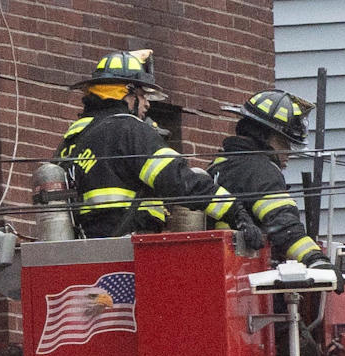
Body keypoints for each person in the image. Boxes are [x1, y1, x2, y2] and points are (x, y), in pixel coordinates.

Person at [59, 48, 198, 238]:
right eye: (142, 96)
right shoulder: (129, 129)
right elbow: (178, 178)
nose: (147, 104)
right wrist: (234, 209)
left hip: (83, 247)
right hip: (132, 245)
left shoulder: (71, 139)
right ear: (127, 93)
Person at [205, 89, 326, 269]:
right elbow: (283, 225)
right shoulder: (259, 170)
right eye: (285, 143)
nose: (289, 153)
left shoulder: (220, 164)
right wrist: (315, 259)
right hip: (246, 274)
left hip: (222, 268)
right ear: (265, 136)